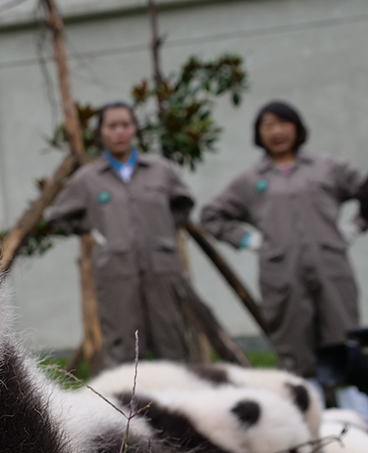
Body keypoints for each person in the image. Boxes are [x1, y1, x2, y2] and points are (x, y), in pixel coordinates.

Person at [201, 100, 368, 378]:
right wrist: (247, 240)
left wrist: (355, 227)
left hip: (330, 268)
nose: (276, 132)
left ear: (297, 128)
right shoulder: (251, 180)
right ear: (259, 133)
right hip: (282, 277)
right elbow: (211, 216)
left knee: (344, 340)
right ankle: (305, 397)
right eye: (268, 125)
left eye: (283, 123)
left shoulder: (326, 167)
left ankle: (354, 399)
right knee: (294, 348)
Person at [46, 101, 195, 366]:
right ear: (100, 132)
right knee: (123, 348)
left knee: (172, 343)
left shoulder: (160, 169)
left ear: (134, 128)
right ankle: (125, 395)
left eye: (125, 125)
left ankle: (176, 393)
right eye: (112, 126)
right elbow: (58, 215)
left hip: (162, 270)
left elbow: (183, 204)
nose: (119, 132)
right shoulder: (88, 179)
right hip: (116, 274)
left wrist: (161, 231)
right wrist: (92, 228)